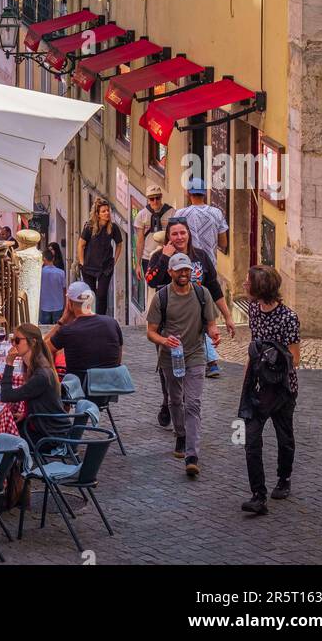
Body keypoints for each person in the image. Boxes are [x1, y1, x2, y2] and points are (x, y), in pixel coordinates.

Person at [146, 252, 220, 478]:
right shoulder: (161, 298)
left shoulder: (202, 293)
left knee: (193, 404)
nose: (183, 274)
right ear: (170, 272)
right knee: (175, 400)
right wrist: (164, 341)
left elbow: (211, 324)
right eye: (179, 270)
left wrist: (214, 333)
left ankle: (192, 456)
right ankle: (180, 434)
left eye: (186, 269)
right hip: (170, 357)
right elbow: (150, 332)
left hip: (195, 354)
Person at [239, 265, 301, 516]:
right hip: (258, 386)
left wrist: (271, 360)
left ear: (260, 287)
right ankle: (258, 495)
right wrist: (246, 380)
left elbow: (295, 358)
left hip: (282, 388)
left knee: (284, 437)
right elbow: (253, 344)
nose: (244, 285)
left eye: (248, 281)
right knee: (251, 438)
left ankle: (284, 478)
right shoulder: (253, 309)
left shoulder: (288, 318)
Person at [148, 219, 236, 378]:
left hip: (195, 323)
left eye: (183, 233)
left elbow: (214, 288)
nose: (179, 237)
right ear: (168, 236)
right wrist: (165, 258)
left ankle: (206, 370)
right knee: (170, 378)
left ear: (189, 234)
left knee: (194, 375)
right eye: (174, 234)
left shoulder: (201, 256)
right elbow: (151, 281)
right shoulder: (159, 256)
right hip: (168, 324)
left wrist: (227, 316)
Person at [0, 322, 69, 443]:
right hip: (43, 426)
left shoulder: (41, 374)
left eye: (17, 340)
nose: (13, 344)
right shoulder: (36, 365)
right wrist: (26, 413)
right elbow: (39, 400)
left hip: (48, 437)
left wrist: (9, 363)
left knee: (0, 439)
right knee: (5, 428)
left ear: (32, 342)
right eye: (12, 340)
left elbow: (6, 396)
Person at [45, 281, 123, 386]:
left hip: (78, 387)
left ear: (69, 303)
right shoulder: (112, 323)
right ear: (90, 301)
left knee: (57, 351)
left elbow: (43, 348)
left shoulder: (67, 331)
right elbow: (118, 357)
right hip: (109, 384)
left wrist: (62, 320)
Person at [77, 200, 123, 316]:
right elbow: (81, 245)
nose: (107, 213)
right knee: (90, 294)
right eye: (103, 211)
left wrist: (114, 260)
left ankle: (100, 319)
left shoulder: (113, 228)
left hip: (106, 267)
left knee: (102, 295)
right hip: (89, 266)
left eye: (108, 210)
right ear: (97, 214)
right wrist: (82, 263)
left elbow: (119, 244)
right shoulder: (89, 227)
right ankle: (88, 317)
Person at [174, 177, 228, 264]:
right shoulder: (217, 213)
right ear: (205, 193)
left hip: (186, 265)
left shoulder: (180, 214)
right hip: (210, 264)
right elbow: (223, 243)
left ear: (188, 193)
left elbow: (174, 240)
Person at [134, 186, 173, 283]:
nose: (155, 201)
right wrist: (138, 264)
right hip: (148, 257)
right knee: (152, 284)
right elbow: (140, 241)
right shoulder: (142, 215)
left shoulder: (171, 213)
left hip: (167, 255)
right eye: (152, 199)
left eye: (157, 198)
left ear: (161, 197)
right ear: (148, 199)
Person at [39, 249, 66, 325]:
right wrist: (65, 303)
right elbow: (64, 289)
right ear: (53, 259)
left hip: (44, 305)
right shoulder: (61, 272)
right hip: (58, 305)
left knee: (44, 329)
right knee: (57, 328)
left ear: (43, 259)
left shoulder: (40, 272)